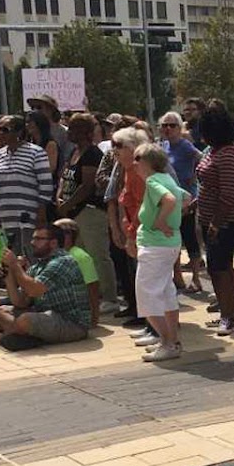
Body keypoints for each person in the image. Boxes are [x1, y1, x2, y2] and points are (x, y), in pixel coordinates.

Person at [0, 224, 91, 347]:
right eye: (33, 238)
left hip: (72, 323)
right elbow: (20, 302)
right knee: (1, 311)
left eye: (38, 239)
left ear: (53, 243)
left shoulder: (62, 261)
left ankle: (2, 337)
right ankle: (26, 337)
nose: (32, 243)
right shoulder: (38, 266)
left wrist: (15, 265)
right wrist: (9, 274)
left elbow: (34, 290)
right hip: (47, 317)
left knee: (25, 320)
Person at [195, 105, 234, 336]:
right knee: (220, 267)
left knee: (220, 269)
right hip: (214, 220)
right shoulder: (215, 152)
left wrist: (215, 224)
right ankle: (228, 312)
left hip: (226, 222)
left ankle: (228, 315)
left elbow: (229, 195)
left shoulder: (227, 155)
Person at [130, 143, 188, 362]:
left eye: (137, 158)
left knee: (146, 296)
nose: (134, 163)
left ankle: (168, 342)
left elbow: (171, 200)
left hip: (155, 246)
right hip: (169, 244)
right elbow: (185, 198)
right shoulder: (167, 179)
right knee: (165, 294)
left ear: (148, 162)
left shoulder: (154, 181)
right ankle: (171, 340)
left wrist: (161, 221)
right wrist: (171, 220)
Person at [56, 113, 116, 315]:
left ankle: (109, 297)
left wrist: (68, 204)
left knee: (98, 255)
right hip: (72, 211)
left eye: (73, 128)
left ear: (85, 132)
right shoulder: (73, 152)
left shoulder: (92, 154)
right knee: (78, 257)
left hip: (89, 211)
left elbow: (88, 185)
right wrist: (59, 197)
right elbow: (65, 178)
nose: (69, 132)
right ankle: (89, 295)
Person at [108, 126, 154, 326]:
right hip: (133, 231)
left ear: (133, 147)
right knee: (138, 278)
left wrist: (130, 235)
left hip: (143, 234)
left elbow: (142, 208)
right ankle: (148, 321)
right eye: (112, 145)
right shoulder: (127, 171)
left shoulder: (138, 172)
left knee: (149, 282)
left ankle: (154, 326)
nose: (114, 150)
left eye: (119, 145)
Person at [0, 115, 54, 258]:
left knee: (29, 256)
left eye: (5, 129)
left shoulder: (36, 152)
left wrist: (41, 211)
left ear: (19, 132)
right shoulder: (0, 154)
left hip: (28, 215)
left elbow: (46, 184)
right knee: (11, 257)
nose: (1, 133)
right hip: (6, 215)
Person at [158, 111, 204, 287]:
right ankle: (177, 276)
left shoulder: (185, 146)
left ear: (179, 128)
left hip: (186, 199)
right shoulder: (163, 146)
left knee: (189, 235)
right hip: (169, 199)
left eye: (172, 125)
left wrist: (195, 174)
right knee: (173, 237)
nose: (168, 129)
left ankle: (196, 278)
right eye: (164, 125)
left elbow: (203, 158)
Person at [50, 218, 101, 327]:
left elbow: (92, 287)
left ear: (69, 235)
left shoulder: (80, 256)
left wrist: (94, 317)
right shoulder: (53, 255)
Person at [27, 94, 73, 170]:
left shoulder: (64, 133)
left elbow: (68, 158)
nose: (35, 111)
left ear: (50, 110)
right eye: (32, 108)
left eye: (39, 107)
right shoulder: (29, 132)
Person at [26, 110, 60, 185]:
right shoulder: (29, 143)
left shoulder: (50, 144)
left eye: (29, 122)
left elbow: (51, 168)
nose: (27, 125)